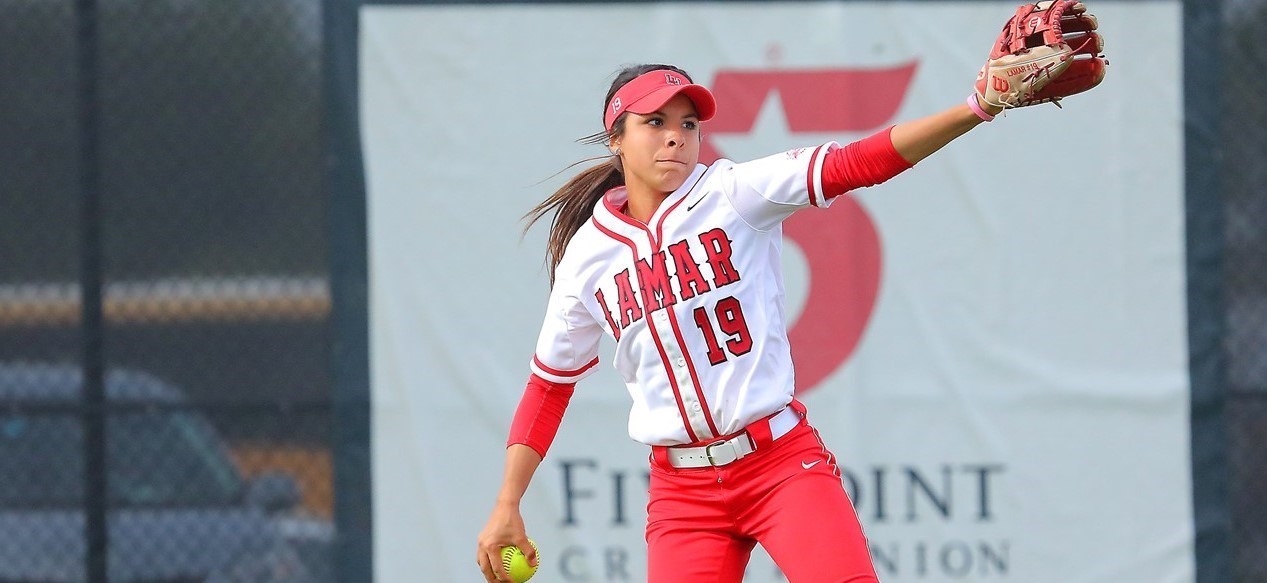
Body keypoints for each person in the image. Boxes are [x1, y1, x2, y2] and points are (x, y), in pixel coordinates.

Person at [476, 4, 1105, 581]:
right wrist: (508, 503)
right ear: (616, 138)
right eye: (655, 122)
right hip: (682, 492)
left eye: (688, 123)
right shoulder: (589, 255)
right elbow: (548, 384)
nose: (675, 135)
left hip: (778, 464)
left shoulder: (733, 194)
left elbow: (859, 160)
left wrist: (977, 106)